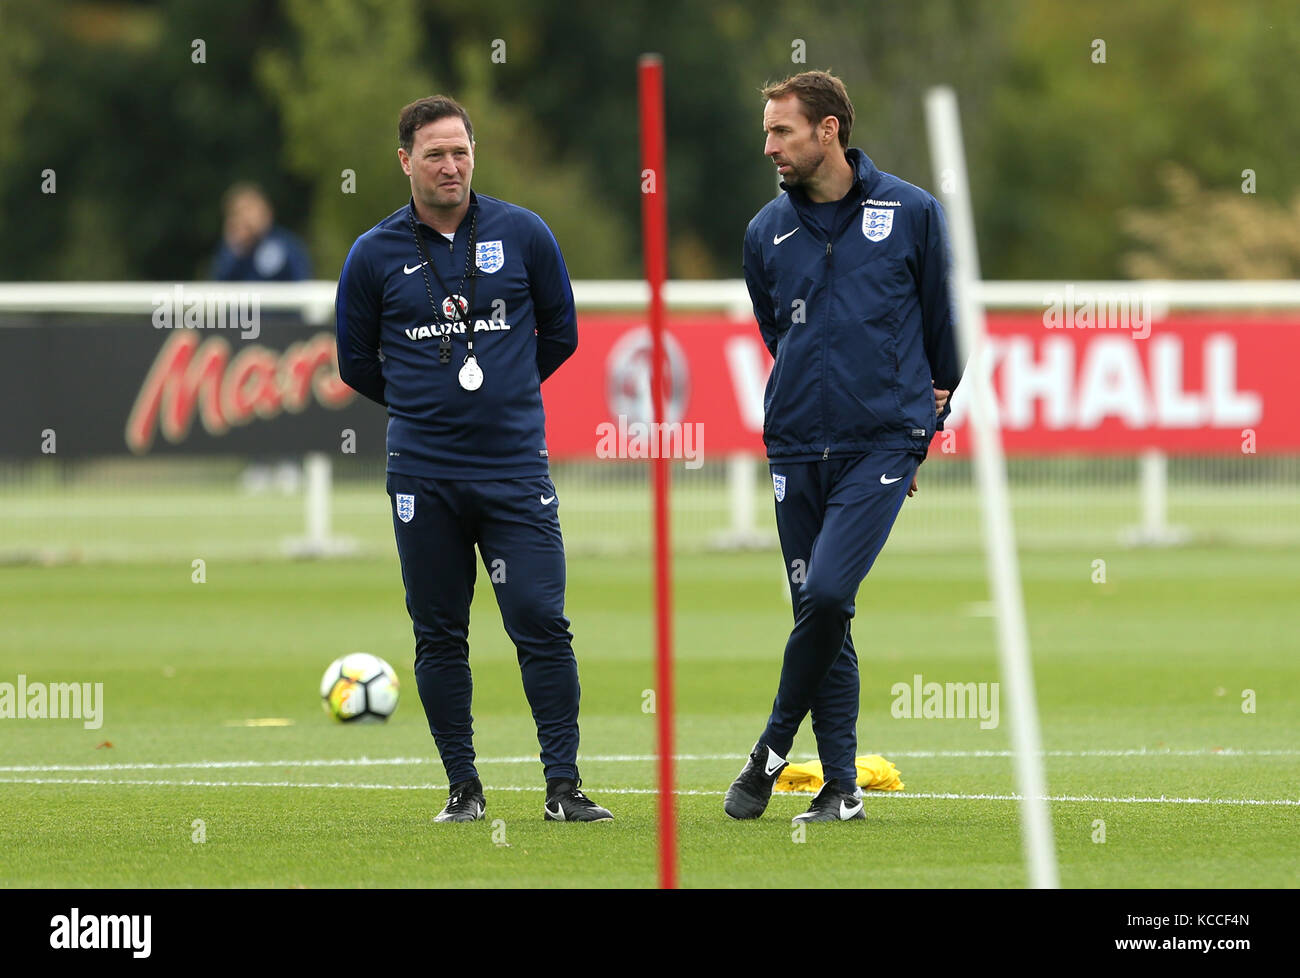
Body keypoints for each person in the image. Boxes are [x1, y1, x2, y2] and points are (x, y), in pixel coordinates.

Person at [334, 95, 612, 823]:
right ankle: (464, 788)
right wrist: (427, 404)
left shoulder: (524, 234)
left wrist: (505, 396)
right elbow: (356, 364)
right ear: (405, 162)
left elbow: (561, 334)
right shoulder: (372, 255)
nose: (450, 165)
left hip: (515, 469)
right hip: (422, 477)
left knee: (540, 620)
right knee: (439, 633)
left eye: (460, 151)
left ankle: (564, 787)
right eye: (434, 154)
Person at [727, 71, 963, 823]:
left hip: (883, 442)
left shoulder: (912, 211)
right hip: (796, 444)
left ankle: (768, 751)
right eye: (767, 132)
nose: (769, 146)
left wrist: (922, 432)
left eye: (782, 131)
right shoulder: (767, 230)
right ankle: (840, 788)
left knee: (827, 593)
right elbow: (778, 331)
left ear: (829, 131)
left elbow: (944, 333)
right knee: (819, 611)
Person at [211, 182, 312, 281]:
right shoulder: (230, 250)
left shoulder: (286, 243)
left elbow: (301, 279)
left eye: (249, 209)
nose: (246, 217)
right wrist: (236, 248)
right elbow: (221, 282)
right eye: (239, 212)